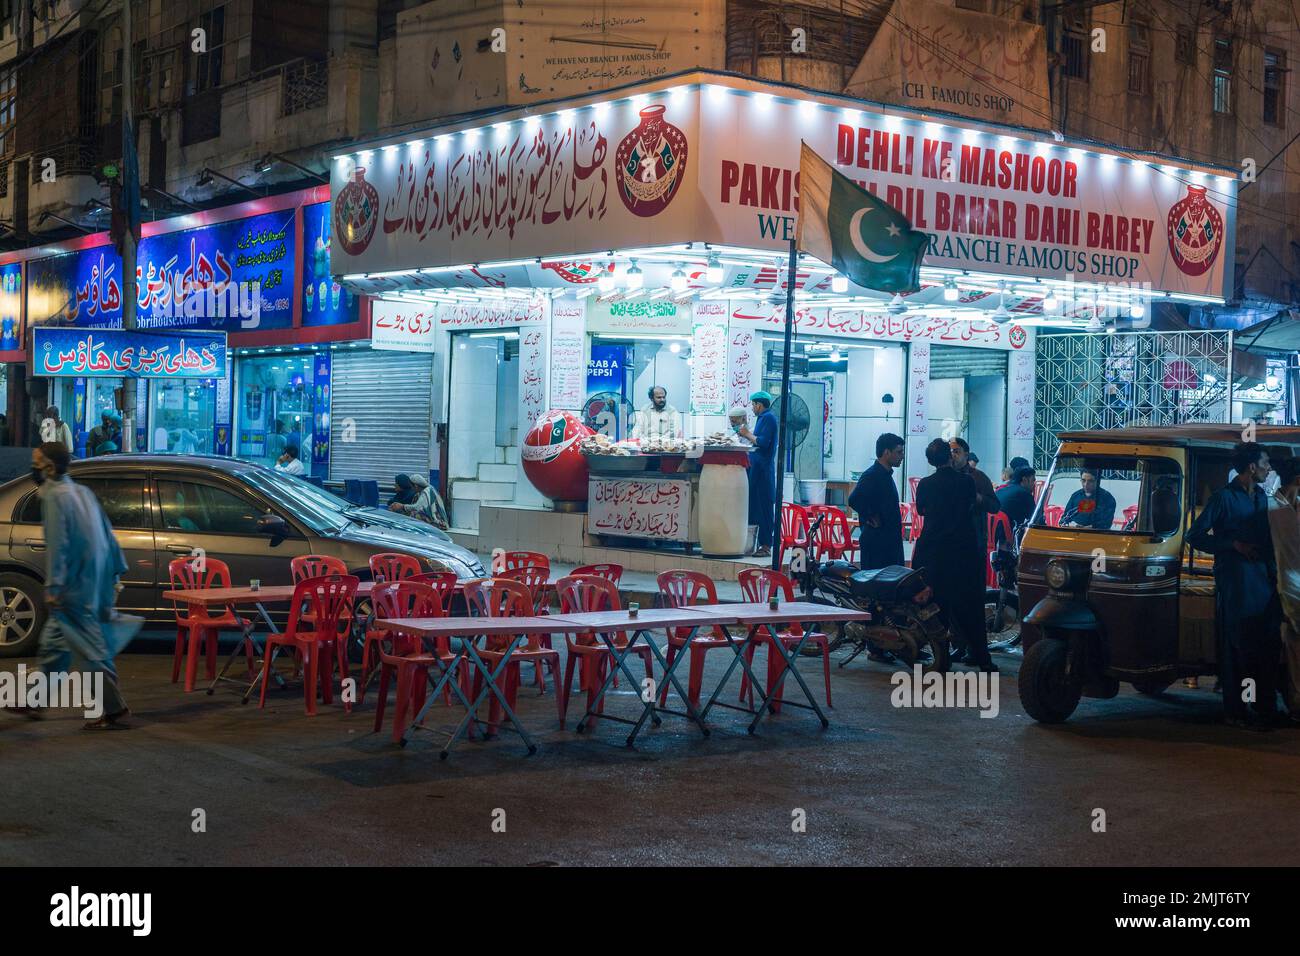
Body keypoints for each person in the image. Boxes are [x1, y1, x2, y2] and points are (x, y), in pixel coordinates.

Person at [4, 443, 133, 727]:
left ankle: (115, 709)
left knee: (90, 651)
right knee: (53, 646)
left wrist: (53, 588)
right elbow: (107, 534)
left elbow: (58, 545)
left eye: (37, 462)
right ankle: (34, 701)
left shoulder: (54, 497)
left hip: (72, 591)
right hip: (92, 583)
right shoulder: (82, 493)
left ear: (49, 467)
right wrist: (116, 574)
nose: (33, 467)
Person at [1187, 442, 1279, 731]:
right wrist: (1233, 545)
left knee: (1262, 648)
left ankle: (1264, 709)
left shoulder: (1262, 497)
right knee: (1237, 649)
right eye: (1265, 463)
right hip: (1236, 583)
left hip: (1262, 582)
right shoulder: (1223, 499)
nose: (1269, 468)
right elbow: (1195, 535)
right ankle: (1236, 711)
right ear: (1252, 467)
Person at [912, 438, 996, 672]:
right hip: (962, 552)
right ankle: (983, 659)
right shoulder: (966, 482)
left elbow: (921, 510)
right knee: (970, 607)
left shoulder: (926, 484)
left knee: (938, 607)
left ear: (931, 461)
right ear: (949, 457)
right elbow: (970, 505)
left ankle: (941, 658)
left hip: (934, 553)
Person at [1267, 456, 1300, 722]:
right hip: (1286, 585)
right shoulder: (1273, 509)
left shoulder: (1284, 507)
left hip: (1292, 584)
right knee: (1293, 648)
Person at [849, 432, 905, 570]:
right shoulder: (872, 475)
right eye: (899, 452)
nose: (902, 456)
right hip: (877, 544)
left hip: (888, 542)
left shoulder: (885, 475)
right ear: (886, 452)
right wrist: (871, 515)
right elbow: (854, 499)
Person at [738, 390, 777, 557]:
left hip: (763, 472)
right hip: (756, 470)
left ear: (759, 405)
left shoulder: (768, 418)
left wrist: (746, 434)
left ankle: (766, 545)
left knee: (764, 509)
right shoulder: (762, 418)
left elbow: (763, 442)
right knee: (755, 508)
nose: (752, 408)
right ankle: (753, 544)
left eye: (753, 405)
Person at [950, 438, 1000, 557]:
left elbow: (995, 506)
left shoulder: (978, 477)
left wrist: (978, 498)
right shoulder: (944, 476)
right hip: (948, 539)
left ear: (966, 455)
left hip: (973, 538)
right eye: (950, 452)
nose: (952, 455)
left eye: (956, 451)